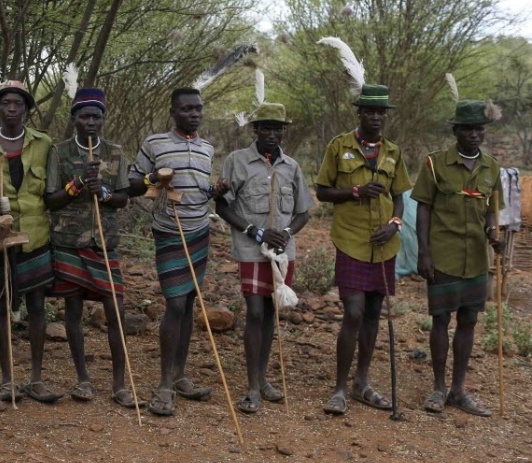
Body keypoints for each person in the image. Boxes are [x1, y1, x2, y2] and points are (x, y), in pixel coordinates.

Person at [314, 84, 411, 415]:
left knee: (373, 313)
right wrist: (354, 191)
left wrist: (395, 223)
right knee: (353, 311)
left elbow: (399, 194)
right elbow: (323, 192)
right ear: (359, 113)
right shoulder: (339, 146)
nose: (375, 117)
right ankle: (339, 388)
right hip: (351, 240)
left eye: (380, 112)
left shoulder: (394, 151)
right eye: (369, 111)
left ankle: (362, 383)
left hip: (385, 244)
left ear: (385, 115)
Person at [128, 88, 224, 416]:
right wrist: (154, 177)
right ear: (173, 112)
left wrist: (216, 190)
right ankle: (165, 383)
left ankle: (181, 375)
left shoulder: (207, 148)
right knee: (176, 302)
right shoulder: (155, 143)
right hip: (169, 231)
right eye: (186, 109)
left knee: (190, 303)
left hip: (199, 231)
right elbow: (132, 184)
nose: (194, 114)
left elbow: (202, 191)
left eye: (198, 109)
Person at [215, 103, 313, 414]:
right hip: (250, 248)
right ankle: (252, 386)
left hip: (282, 251)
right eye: (266, 127)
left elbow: (303, 211)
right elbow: (222, 205)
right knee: (255, 311)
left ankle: (264, 377)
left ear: (284, 131)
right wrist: (254, 231)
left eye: (278, 128)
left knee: (271, 311)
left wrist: (285, 231)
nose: (272, 133)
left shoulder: (291, 166)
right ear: (255, 130)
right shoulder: (237, 161)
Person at [45, 87, 140, 409]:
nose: (90, 122)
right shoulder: (59, 153)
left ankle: (119, 383)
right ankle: (83, 379)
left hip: (103, 243)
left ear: (102, 120)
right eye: (84, 116)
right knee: (72, 311)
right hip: (69, 241)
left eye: (95, 117)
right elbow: (51, 201)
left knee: (116, 309)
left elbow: (124, 198)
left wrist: (102, 192)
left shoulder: (114, 153)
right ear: (73, 119)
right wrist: (75, 187)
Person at [413, 99, 504, 417]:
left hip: (477, 258)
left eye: (479, 129)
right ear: (456, 131)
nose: (474, 134)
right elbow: (423, 208)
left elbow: (492, 213)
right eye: (468, 129)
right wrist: (424, 252)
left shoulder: (492, 168)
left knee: (469, 321)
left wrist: (494, 234)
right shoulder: (434, 164)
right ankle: (438, 389)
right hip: (443, 255)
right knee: (441, 320)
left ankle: (458, 390)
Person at [0, 81, 59, 403]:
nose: (12, 109)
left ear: (27, 109)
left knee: (37, 306)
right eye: (6, 104)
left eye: (18, 104)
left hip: (35, 235)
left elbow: (53, 191)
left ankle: (36, 378)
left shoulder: (44, 144)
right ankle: (6, 378)